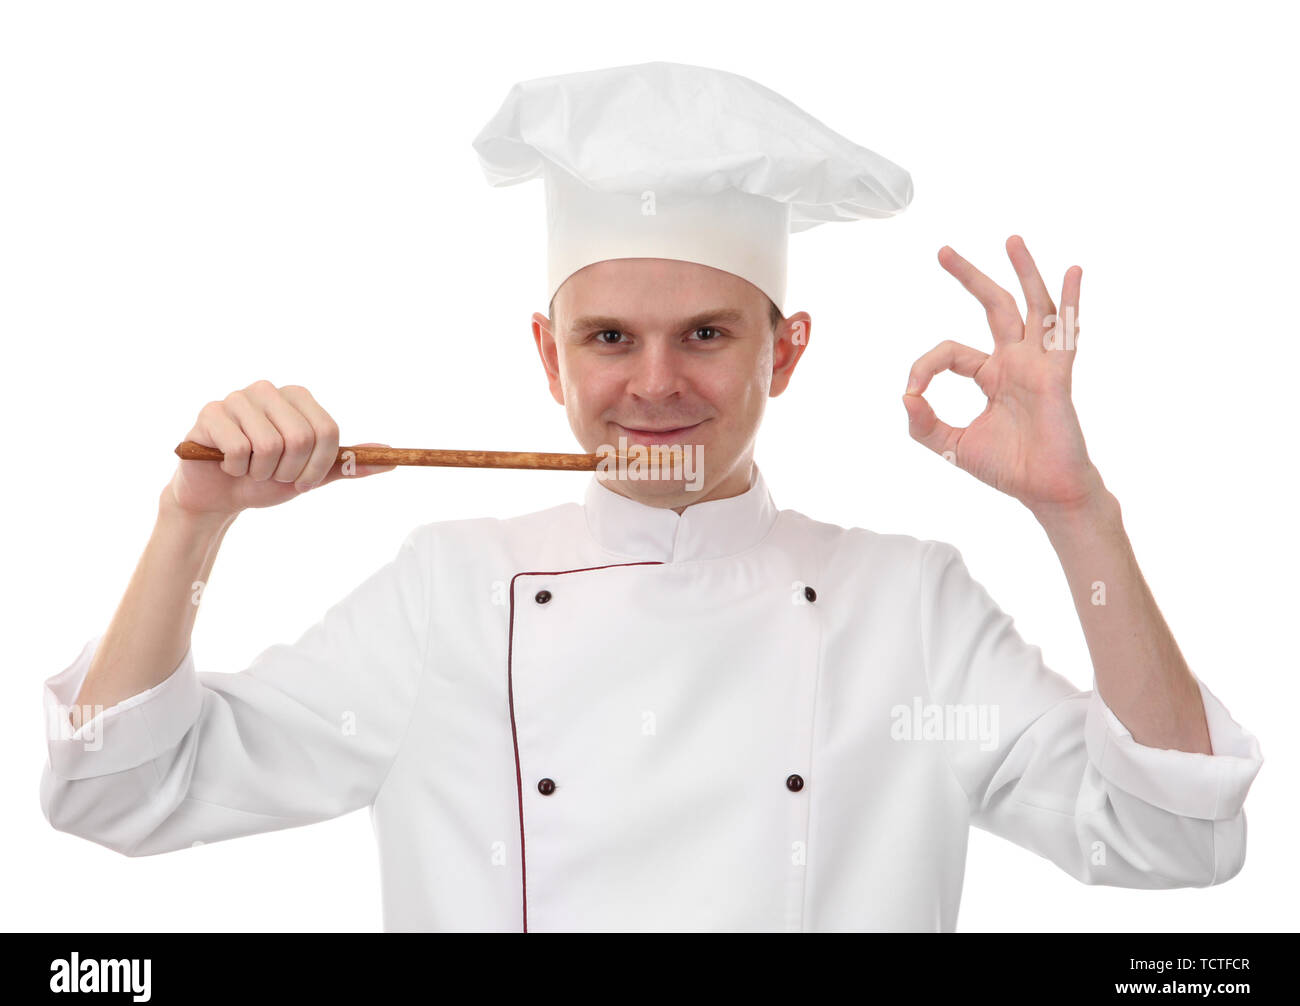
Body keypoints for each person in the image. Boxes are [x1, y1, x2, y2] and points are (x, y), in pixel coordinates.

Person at [39, 61, 1263, 932]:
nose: (656, 383)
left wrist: (1077, 512)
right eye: (610, 336)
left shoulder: (907, 606)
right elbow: (121, 790)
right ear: (546, 352)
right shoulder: (450, 593)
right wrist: (189, 529)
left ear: (784, 352)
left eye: (709, 334)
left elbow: (1172, 836)